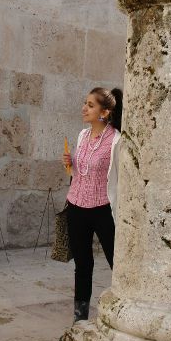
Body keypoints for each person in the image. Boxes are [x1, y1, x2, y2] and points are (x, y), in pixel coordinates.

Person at [62, 87, 123, 325]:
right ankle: (79, 321)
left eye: (90, 105)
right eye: (84, 103)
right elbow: (81, 172)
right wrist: (70, 163)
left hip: (103, 209)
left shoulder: (116, 140)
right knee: (82, 266)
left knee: (117, 262)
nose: (84, 109)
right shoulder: (82, 135)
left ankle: (123, 317)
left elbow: (120, 177)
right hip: (76, 207)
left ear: (104, 112)